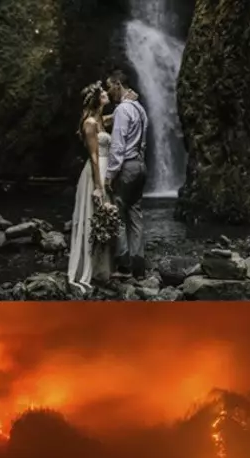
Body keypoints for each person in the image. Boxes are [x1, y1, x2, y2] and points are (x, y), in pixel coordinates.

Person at [67, 81, 114, 292]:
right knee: (93, 216)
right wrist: (98, 185)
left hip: (104, 169)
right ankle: (86, 270)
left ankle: (100, 268)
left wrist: (127, 105)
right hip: (95, 173)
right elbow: (94, 156)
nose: (106, 93)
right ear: (97, 99)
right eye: (103, 92)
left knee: (102, 218)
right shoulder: (90, 123)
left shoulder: (100, 121)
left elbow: (113, 118)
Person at [103, 69, 149, 279]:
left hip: (127, 166)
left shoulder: (123, 110)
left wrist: (111, 173)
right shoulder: (140, 108)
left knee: (118, 213)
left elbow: (118, 144)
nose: (108, 91)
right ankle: (139, 267)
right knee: (135, 215)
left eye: (109, 86)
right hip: (140, 165)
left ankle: (123, 265)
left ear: (118, 85)